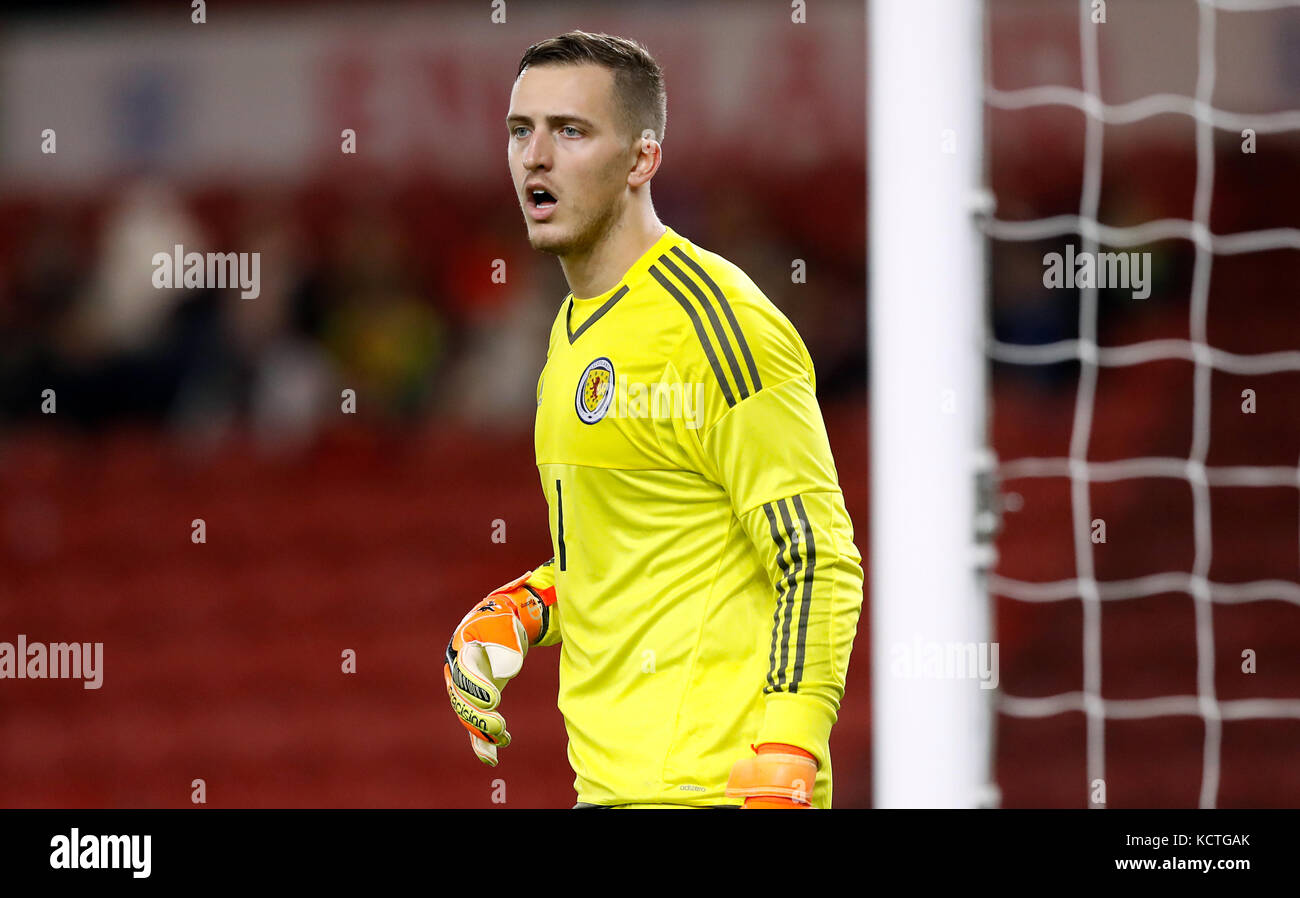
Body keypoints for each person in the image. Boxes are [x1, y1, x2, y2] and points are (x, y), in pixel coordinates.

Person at [443, 30, 863, 809]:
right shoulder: (570, 336)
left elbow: (817, 555)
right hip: (606, 792)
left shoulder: (719, 324)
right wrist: (525, 609)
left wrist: (789, 749)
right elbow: (638, 556)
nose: (535, 156)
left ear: (641, 160)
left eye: (570, 131)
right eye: (519, 131)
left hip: (723, 793)